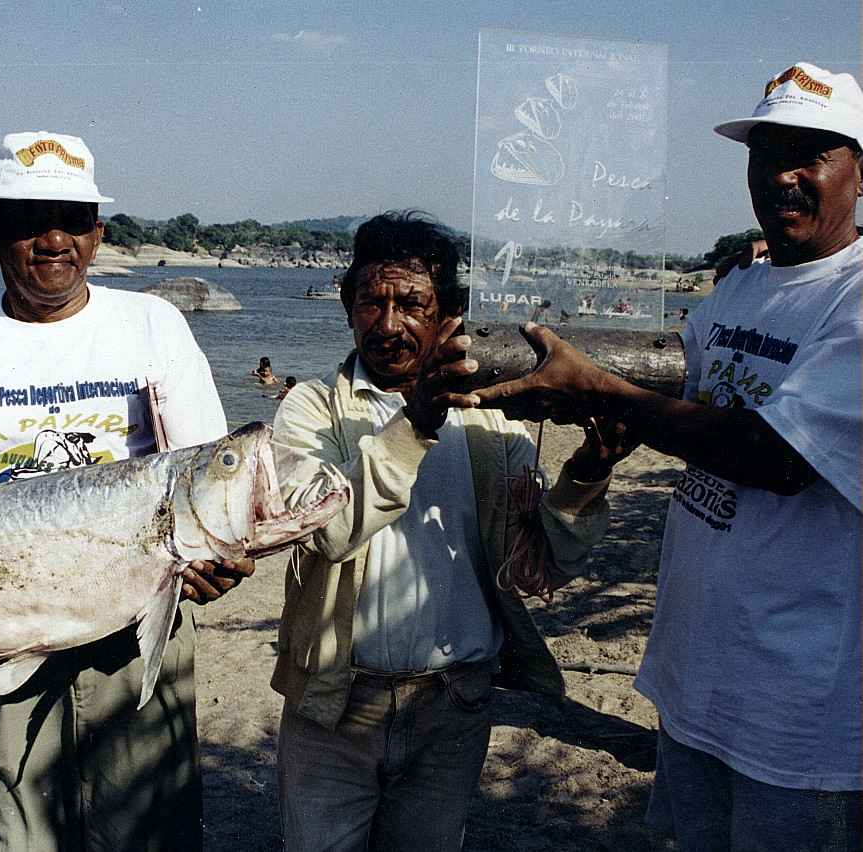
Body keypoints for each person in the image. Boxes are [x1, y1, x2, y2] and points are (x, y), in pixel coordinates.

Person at [474, 63, 862, 850]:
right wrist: (549, 388)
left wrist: (610, 396)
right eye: (764, 156)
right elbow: (663, 395)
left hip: (800, 715)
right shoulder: (738, 293)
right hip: (697, 679)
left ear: (859, 170)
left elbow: (778, 456)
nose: (781, 177)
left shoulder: (853, 296)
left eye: (809, 155)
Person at [0, 131, 254, 851]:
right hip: (4, 637)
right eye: (29, 220)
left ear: (99, 233)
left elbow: (207, 480)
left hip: (136, 635)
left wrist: (220, 561)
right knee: (26, 837)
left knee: (149, 833)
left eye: (73, 219)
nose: (54, 240)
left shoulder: (153, 324)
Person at [270, 211, 633, 850]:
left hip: (454, 705)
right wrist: (414, 424)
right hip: (335, 705)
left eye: (411, 304)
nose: (388, 324)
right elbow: (325, 530)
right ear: (346, 309)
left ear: (447, 316)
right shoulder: (310, 410)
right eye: (370, 303)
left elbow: (541, 565)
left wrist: (586, 472)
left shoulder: (491, 424)